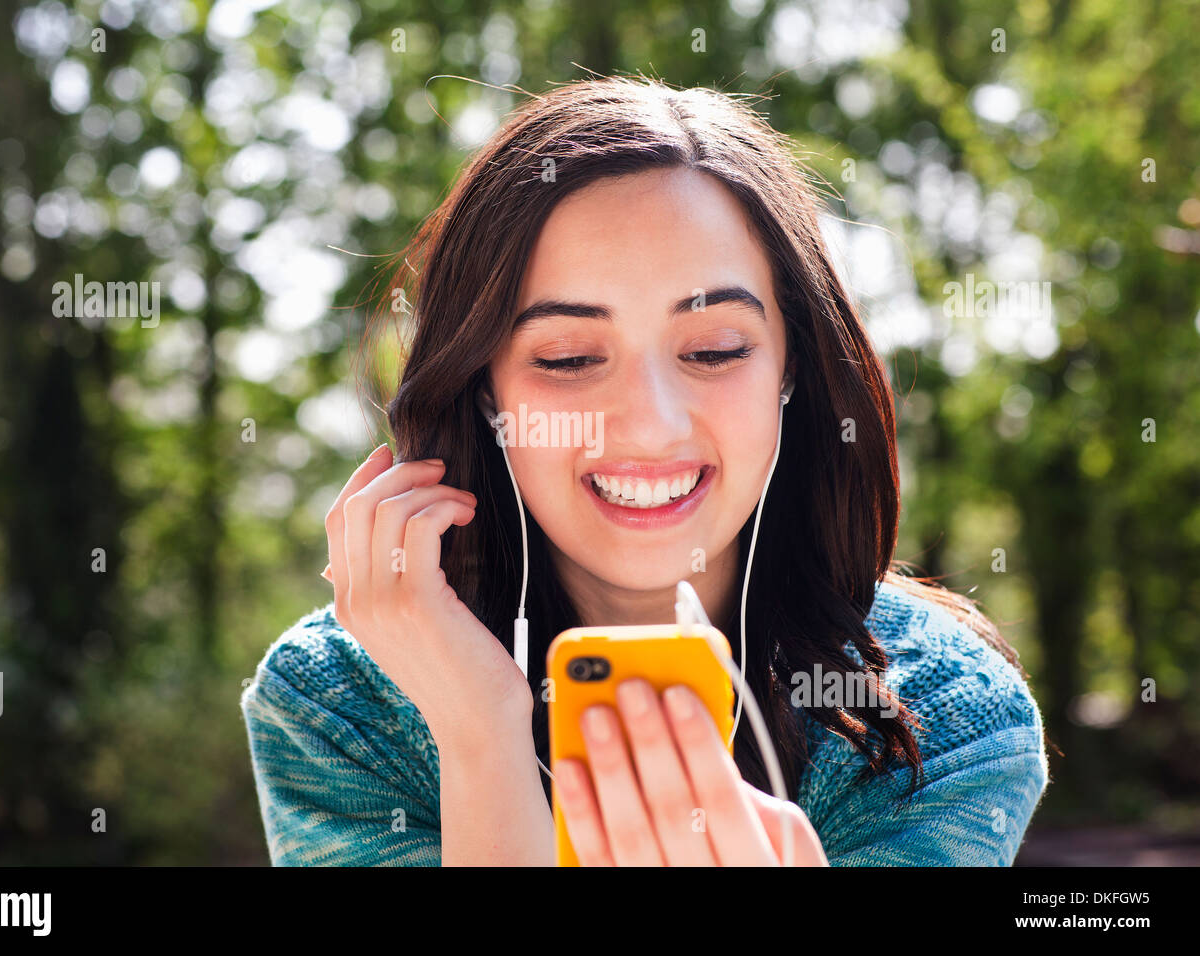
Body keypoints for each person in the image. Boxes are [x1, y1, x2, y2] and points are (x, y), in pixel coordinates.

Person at [241, 75, 1050, 866]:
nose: (650, 424)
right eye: (566, 357)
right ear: (483, 389)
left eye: (714, 350)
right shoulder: (336, 713)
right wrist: (479, 731)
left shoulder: (946, 716)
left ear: (790, 371)